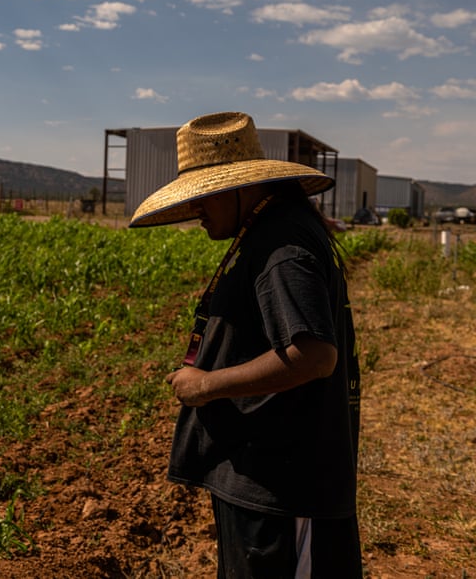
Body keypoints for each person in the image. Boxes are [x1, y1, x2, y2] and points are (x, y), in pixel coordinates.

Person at [129, 111, 362, 578]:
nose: (196, 209)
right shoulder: (272, 231)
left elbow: (315, 355)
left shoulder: (281, 248)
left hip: (282, 484)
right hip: (266, 474)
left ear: (239, 188)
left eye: (204, 197)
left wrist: (206, 386)